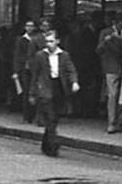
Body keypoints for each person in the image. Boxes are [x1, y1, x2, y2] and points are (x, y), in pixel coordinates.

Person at [27, 28, 80, 157]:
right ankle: (53, 145)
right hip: (45, 87)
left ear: (57, 41)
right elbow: (34, 75)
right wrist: (32, 93)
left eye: (51, 41)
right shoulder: (40, 55)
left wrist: (74, 82)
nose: (48, 44)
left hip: (59, 87)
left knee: (54, 118)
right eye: (47, 41)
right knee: (50, 116)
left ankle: (46, 143)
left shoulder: (64, 55)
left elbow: (71, 70)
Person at [96, 12, 122, 133]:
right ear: (115, 23)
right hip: (111, 67)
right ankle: (112, 122)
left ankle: (121, 121)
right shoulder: (105, 32)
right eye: (121, 24)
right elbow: (98, 50)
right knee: (113, 95)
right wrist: (106, 41)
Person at [14, 20, 43, 122]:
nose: (29, 28)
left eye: (32, 26)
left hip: (36, 68)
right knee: (26, 91)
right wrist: (16, 71)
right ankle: (27, 116)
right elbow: (17, 55)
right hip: (25, 68)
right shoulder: (21, 40)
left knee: (37, 90)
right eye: (28, 26)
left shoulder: (38, 39)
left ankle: (37, 115)